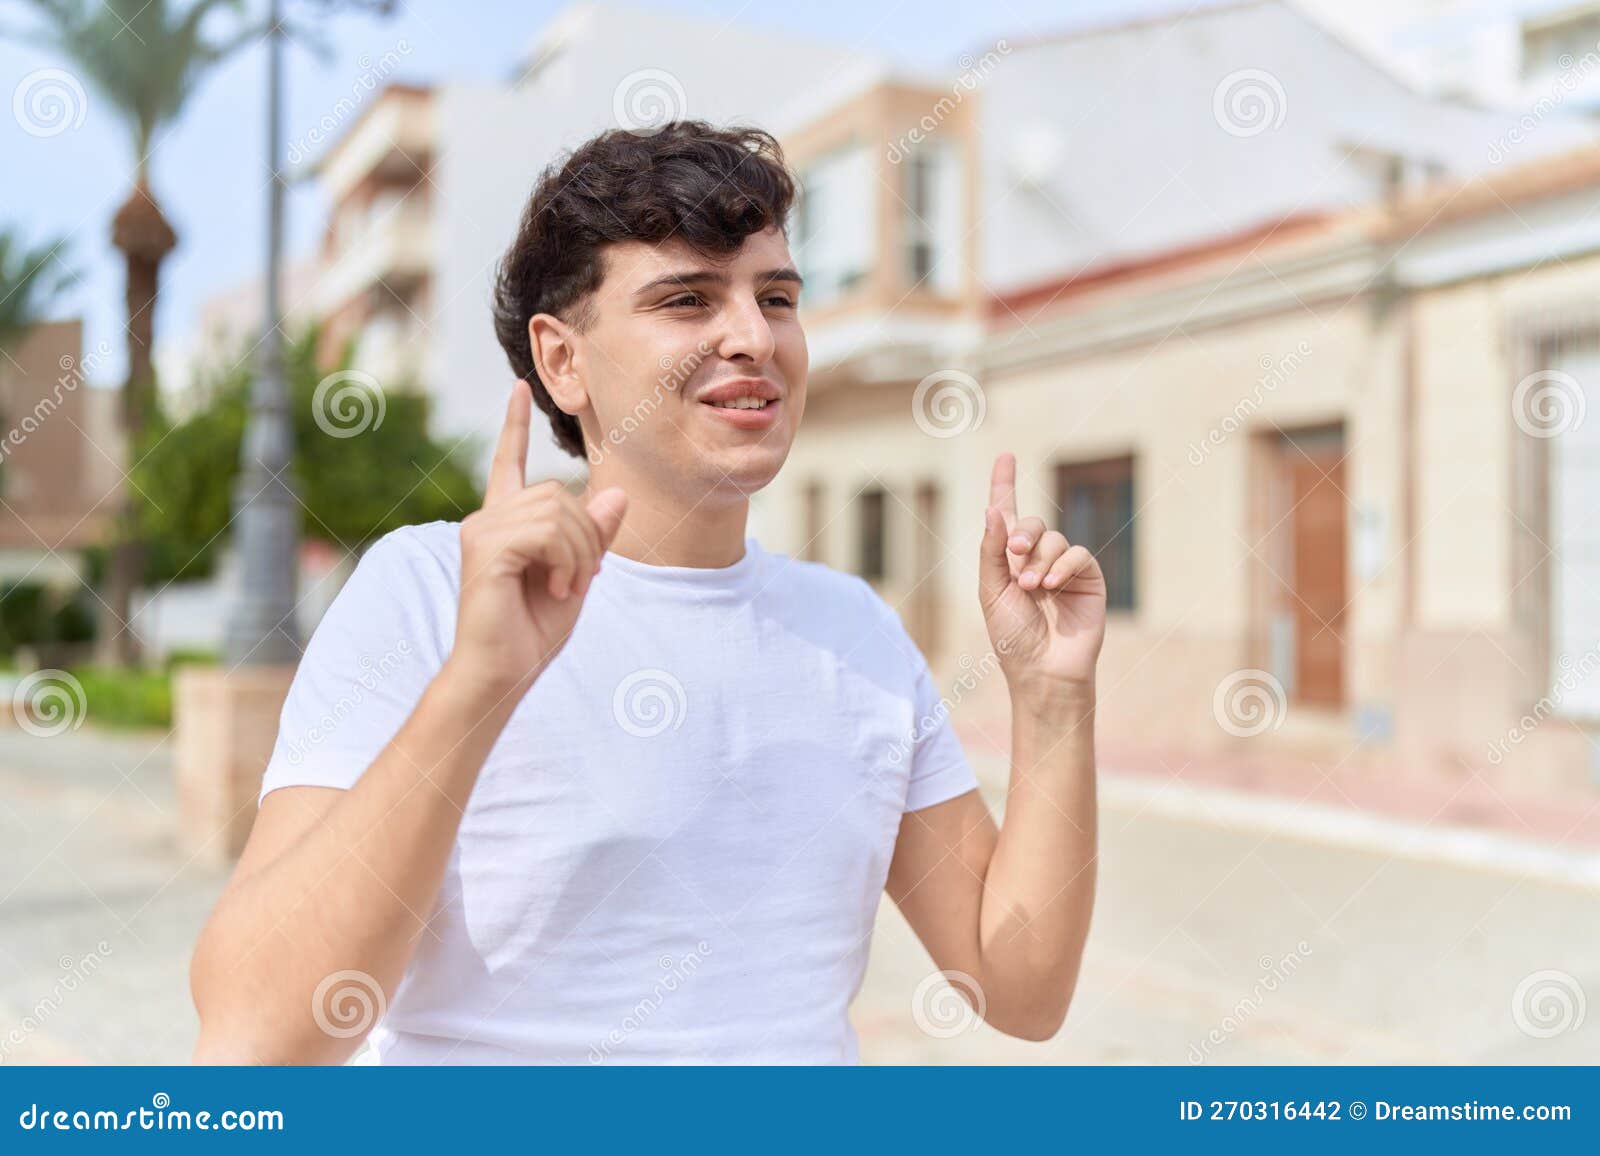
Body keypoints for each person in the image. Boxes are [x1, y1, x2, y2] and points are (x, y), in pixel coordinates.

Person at [190, 121, 1105, 1064]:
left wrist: (1053, 698)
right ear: (562, 361)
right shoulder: (428, 591)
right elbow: (255, 1035)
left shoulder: (857, 631)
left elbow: (1021, 991)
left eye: (777, 297)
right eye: (686, 300)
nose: (753, 338)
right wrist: (476, 685)